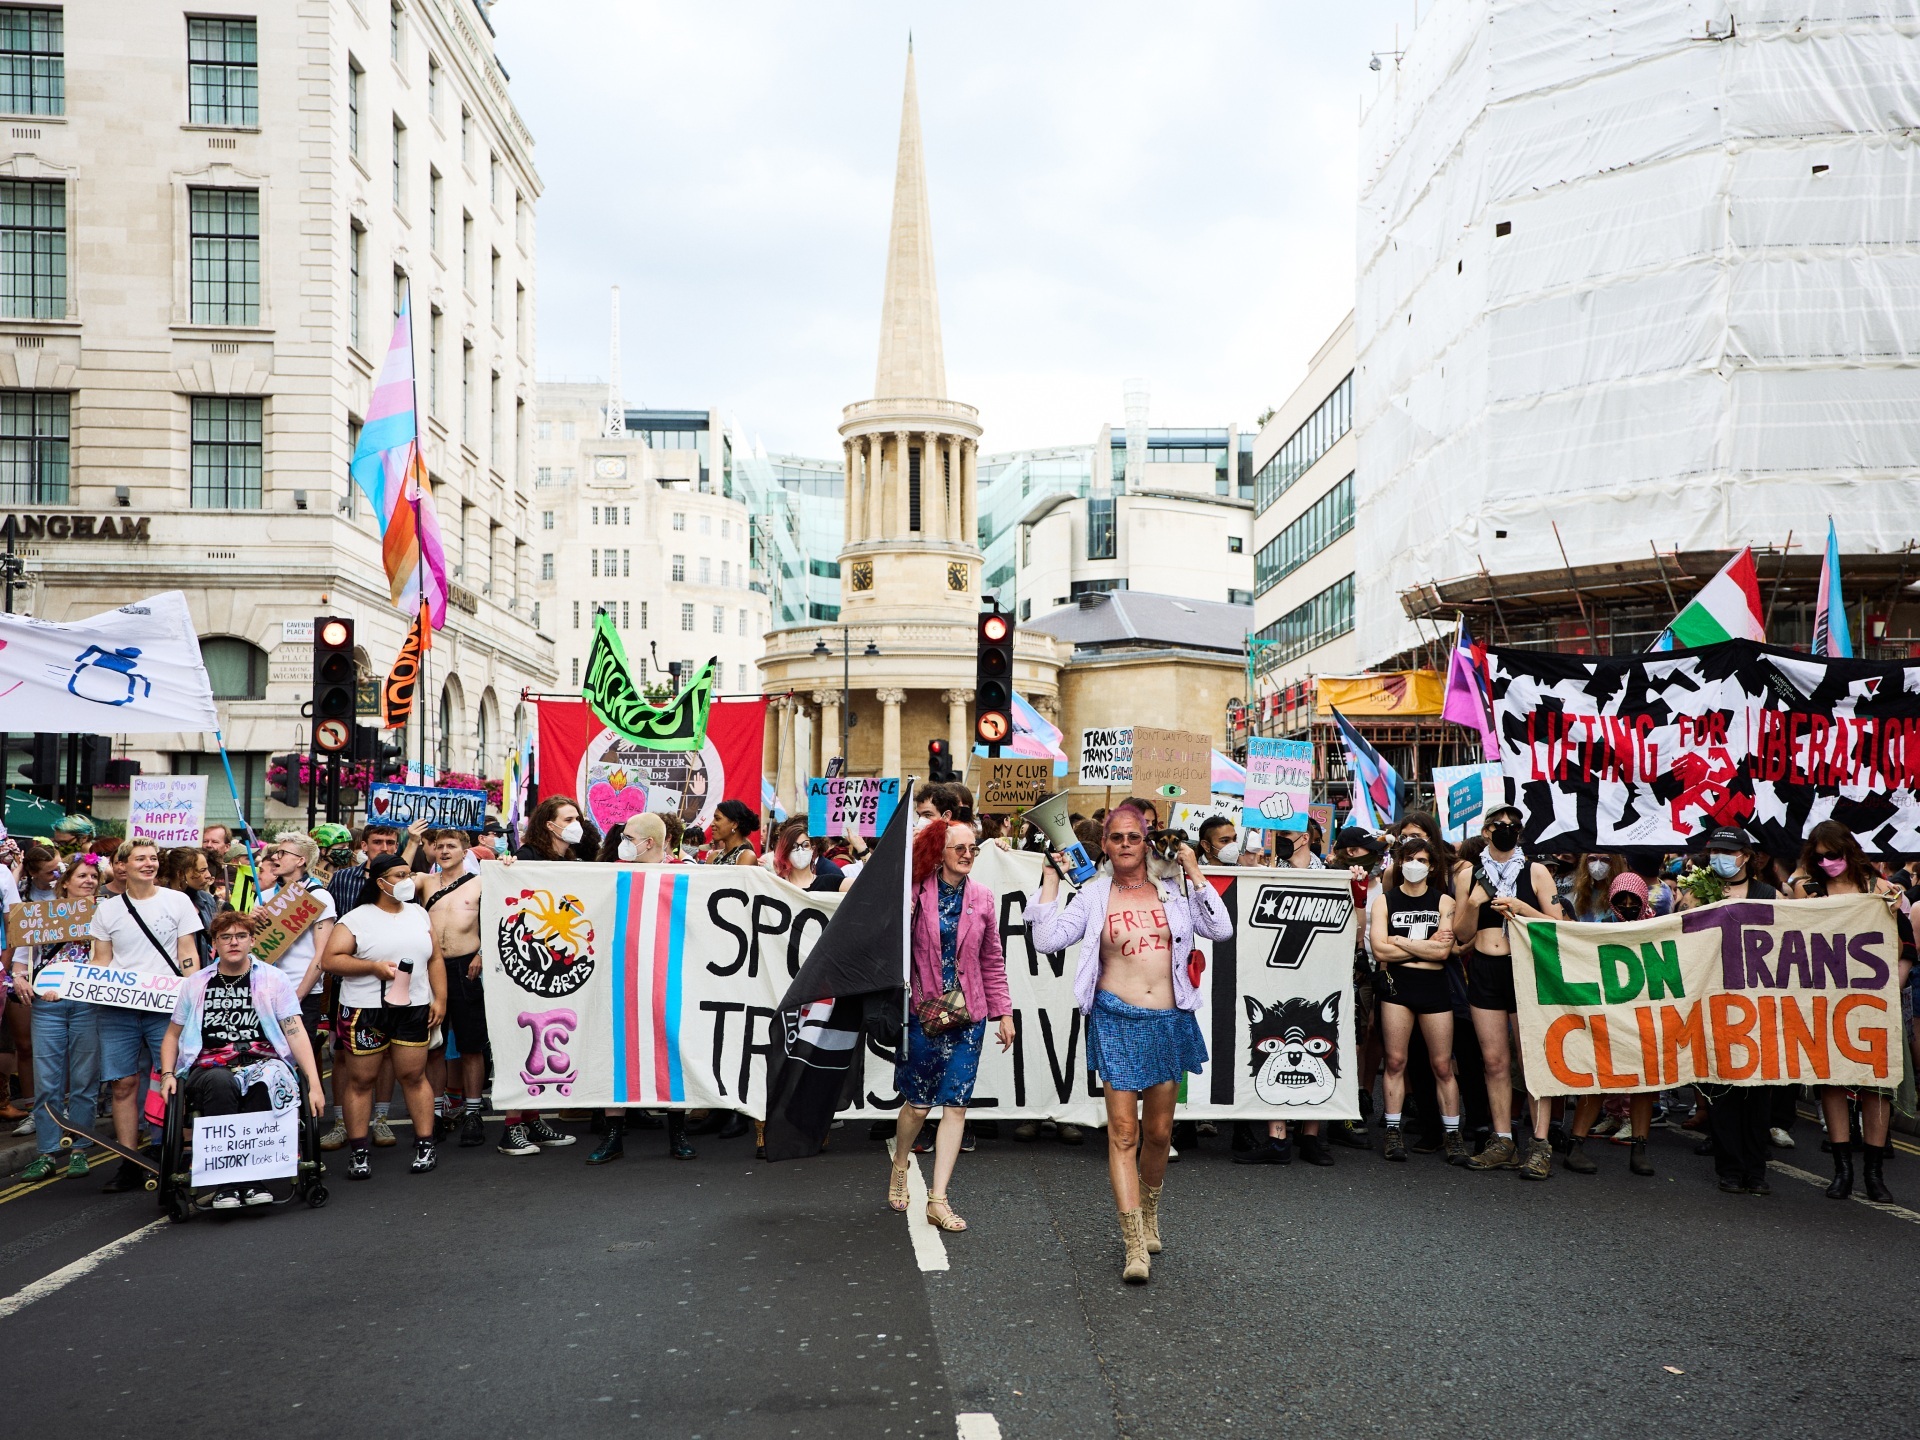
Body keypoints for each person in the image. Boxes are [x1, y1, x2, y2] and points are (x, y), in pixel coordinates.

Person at [1029, 802, 1233, 1284]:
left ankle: (1150, 1210)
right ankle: (1132, 1242)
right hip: (1114, 1019)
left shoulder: (1173, 889)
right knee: (1123, 1133)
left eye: (1133, 837)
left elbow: (1220, 929)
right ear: (1104, 845)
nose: (1124, 845)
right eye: (1116, 838)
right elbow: (1046, 941)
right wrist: (1051, 879)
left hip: (1167, 1020)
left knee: (1159, 1134)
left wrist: (1194, 869)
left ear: (1147, 841)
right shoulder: (1093, 895)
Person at [886, 818, 1012, 1234]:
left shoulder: (983, 898)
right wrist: (898, 913)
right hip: (923, 1016)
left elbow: (991, 960)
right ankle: (901, 1162)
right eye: (959, 847)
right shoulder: (913, 894)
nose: (968, 854)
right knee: (919, 1105)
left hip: (967, 1017)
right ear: (938, 851)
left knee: (956, 1105)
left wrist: (1003, 1013)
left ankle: (938, 1199)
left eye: (973, 848)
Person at [160, 910, 327, 1210]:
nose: (233, 942)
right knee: (221, 1083)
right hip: (210, 1064)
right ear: (215, 944)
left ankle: (253, 1181)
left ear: (252, 941)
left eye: (240, 936)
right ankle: (228, 1183)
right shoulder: (196, 984)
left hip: (262, 1060)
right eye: (225, 937)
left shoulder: (274, 979)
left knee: (269, 1079)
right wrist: (168, 1074)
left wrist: (314, 1084)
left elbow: (296, 1032)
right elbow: (173, 1035)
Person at [1787, 820, 1912, 1203]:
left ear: (1849, 851)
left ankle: (1874, 1174)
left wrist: (1894, 985)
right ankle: (1842, 1170)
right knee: (1833, 1082)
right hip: (1827, 1002)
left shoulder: (1881, 891)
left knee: (1878, 1085)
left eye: (1834, 855)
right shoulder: (1808, 893)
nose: (1827, 863)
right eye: (1819, 857)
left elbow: (1906, 944)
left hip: (1876, 1001)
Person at [1453, 805, 1565, 1180]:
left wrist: (1521, 907)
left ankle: (1539, 1144)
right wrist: (1473, 902)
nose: (1507, 830)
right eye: (1500, 825)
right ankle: (1502, 1140)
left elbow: (1558, 926)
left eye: (1514, 826)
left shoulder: (1536, 872)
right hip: (1484, 969)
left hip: (1525, 971)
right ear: (1486, 831)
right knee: (1495, 1061)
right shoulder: (1469, 874)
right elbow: (1462, 934)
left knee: (1532, 1061)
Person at [320, 852, 447, 1179]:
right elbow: (331, 960)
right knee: (361, 1080)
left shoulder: (419, 914)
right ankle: (359, 1150)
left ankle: (425, 1143)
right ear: (380, 882)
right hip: (365, 1010)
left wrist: (440, 999)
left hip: (414, 1007)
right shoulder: (355, 919)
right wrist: (372, 968)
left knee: (414, 1077)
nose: (406, 881)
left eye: (408, 874)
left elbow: (435, 959)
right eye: (398, 875)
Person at [90, 837, 204, 1193]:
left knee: (172, 1080)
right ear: (121, 866)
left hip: (167, 1010)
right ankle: (130, 1163)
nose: (149, 864)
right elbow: (101, 961)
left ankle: (174, 1153)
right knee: (123, 1084)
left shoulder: (178, 901)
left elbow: (188, 955)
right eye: (141, 858)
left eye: (153, 858)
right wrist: (70, 984)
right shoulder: (106, 910)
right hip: (119, 1010)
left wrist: (194, 997)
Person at [588, 815, 696, 1165]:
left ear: (649, 843)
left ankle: (678, 1133)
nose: (622, 841)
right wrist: (510, 867)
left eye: (629, 836)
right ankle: (613, 1136)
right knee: (617, 1050)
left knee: (671, 1050)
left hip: (668, 974)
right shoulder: (611, 872)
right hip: (620, 973)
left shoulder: (686, 872)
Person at [1371, 835, 1468, 1165]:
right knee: (1396, 1062)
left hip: (1434, 986)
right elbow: (1378, 949)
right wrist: (1422, 946)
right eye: (1410, 859)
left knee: (1442, 1065)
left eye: (1423, 860)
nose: (1415, 866)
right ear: (1399, 862)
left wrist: (1397, 940)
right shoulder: (1385, 900)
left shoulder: (1443, 901)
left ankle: (1452, 1134)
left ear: (1432, 865)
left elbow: (1443, 952)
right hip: (1398, 987)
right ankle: (1393, 1130)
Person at [10, 857, 103, 1181]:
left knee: (83, 1082)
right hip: (48, 1006)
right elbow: (21, 957)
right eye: (82, 875)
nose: (89, 880)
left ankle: (79, 1149)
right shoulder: (40, 915)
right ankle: (47, 1152)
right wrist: (21, 979)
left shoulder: (105, 916)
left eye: (94, 876)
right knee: (47, 1081)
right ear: (65, 882)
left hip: (88, 1006)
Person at [1561, 874, 1659, 1180]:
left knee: (1645, 1083)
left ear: (1644, 900)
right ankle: (1576, 1146)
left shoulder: (1659, 930)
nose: (1628, 906)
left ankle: (1639, 1149)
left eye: (1634, 901)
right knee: (1600, 1077)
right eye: (1621, 901)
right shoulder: (1600, 932)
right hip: (1609, 1016)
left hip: (1645, 1015)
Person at [254, 831, 337, 1045]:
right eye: (275, 852)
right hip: (265, 993)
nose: (275, 857)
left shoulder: (318, 896)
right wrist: (250, 922)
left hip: (302, 994)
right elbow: (251, 948)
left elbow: (321, 955)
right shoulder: (265, 896)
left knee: (297, 1061)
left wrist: (298, 997)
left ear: (301, 861)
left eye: (282, 853)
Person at [160, 847, 220, 969]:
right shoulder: (160, 901)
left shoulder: (207, 900)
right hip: (169, 978)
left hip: (204, 974)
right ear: (181, 874)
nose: (208, 876)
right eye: (202, 871)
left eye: (207, 869)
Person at [769, 818, 846, 893]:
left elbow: (857, 888)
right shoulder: (776, 886)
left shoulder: (830, 881)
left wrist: (858, 851)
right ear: (786, 851)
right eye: (794, 846)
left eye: (805, 845)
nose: (800, 850)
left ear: (813, 849)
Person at [703, 799, 759, 867]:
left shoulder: (746, 856)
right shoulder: (713, 856)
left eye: (717, 819)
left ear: (734, 824)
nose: (712, 824)